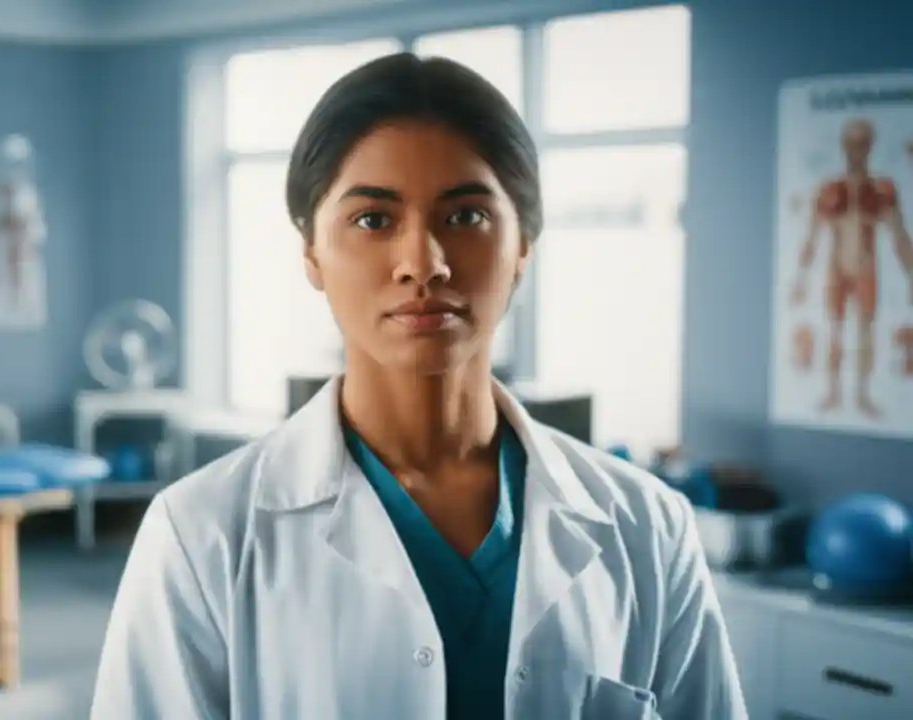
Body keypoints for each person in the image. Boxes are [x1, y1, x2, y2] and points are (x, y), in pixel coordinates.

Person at [91, 53, 746, 719]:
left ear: (524, 244)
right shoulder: (201, 534)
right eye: (373, 220)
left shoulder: (647, 526)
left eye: (465, 217)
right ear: (311, 252)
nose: (423, 264)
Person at [791, 118, 913, 418]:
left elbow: (899, 236)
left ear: (870, 146)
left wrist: (911, 274)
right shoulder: (830, 189)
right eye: (851, 144)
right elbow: (812, 236)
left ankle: (862, 395)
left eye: (861, 144)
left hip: (866, 269)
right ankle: (833, 392)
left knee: (865, 333)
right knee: (834, 331)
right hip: (837, 270)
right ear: (843, 146)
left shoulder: (881, 190)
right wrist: (801, 278)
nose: (855, 150)